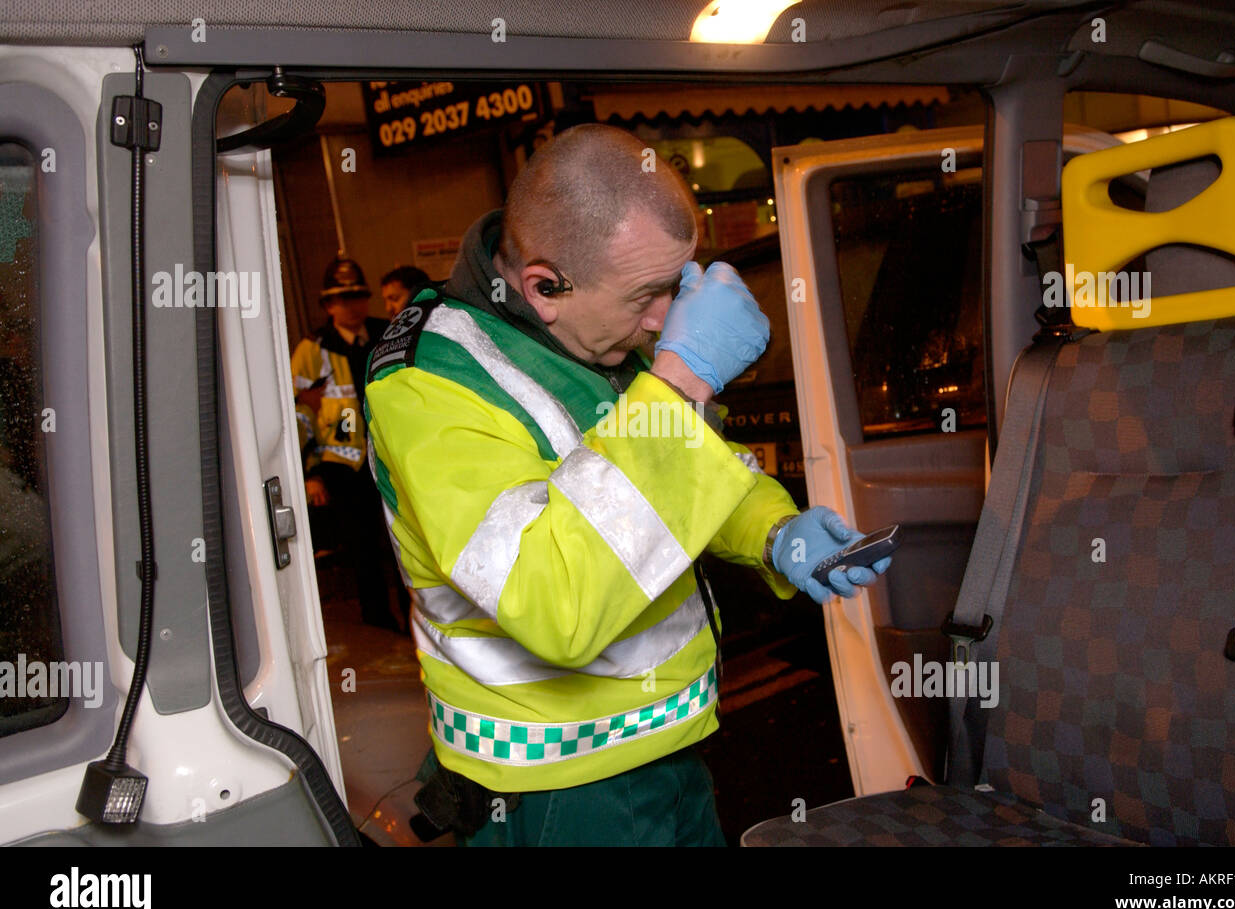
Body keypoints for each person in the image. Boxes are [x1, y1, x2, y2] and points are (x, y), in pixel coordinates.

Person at [362, 124, 891, 846]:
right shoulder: (432, 382)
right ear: (544, 286)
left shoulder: (588, 331)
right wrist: (680, 381)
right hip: (556, 787)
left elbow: (686, 471)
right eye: (647, 294)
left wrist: (774, 530)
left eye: (674, 288)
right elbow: (553, 601)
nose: (661, 321)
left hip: (668, 748)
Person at [292, 255, 408, 633]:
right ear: (328, 305)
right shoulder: (313, 349)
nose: (355, 306)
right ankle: (377, 620)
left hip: (392, 457)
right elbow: (298, 416)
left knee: (404, 544)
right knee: (362, 549)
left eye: (359, 296)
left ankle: (413, 619)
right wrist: (311, 474)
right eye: (344, 299)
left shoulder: (385, 332)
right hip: (344, 465)